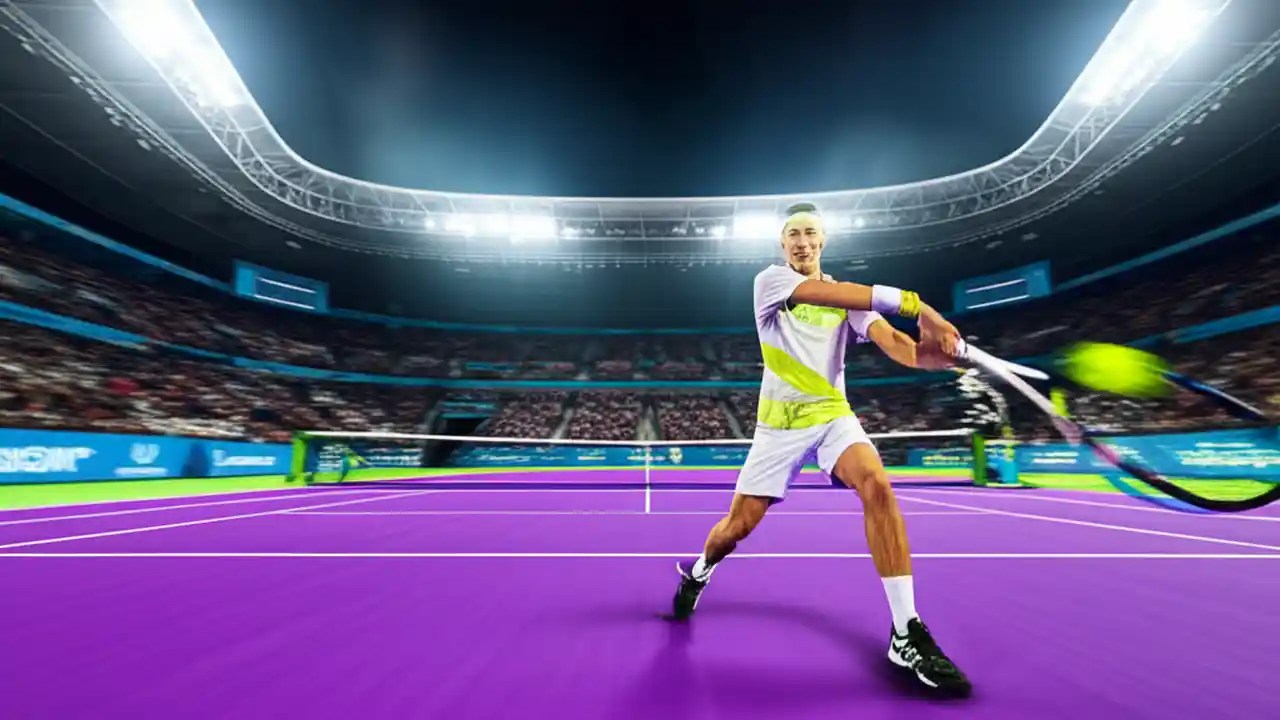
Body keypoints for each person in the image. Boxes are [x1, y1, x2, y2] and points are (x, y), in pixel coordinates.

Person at [670, 203, 972, 695]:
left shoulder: (852, 302)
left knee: (876, 483)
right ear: (783, 244)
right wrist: (926, 309)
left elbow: (898, 344)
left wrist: (937, 357)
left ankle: (905, 631)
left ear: (823, 241)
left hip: (832, 415)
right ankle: (699, 572)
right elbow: (848, 296)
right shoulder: (771, 282)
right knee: (737, 528)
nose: (802, 241)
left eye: (810, 233)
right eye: (793, 234)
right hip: (777, 427)